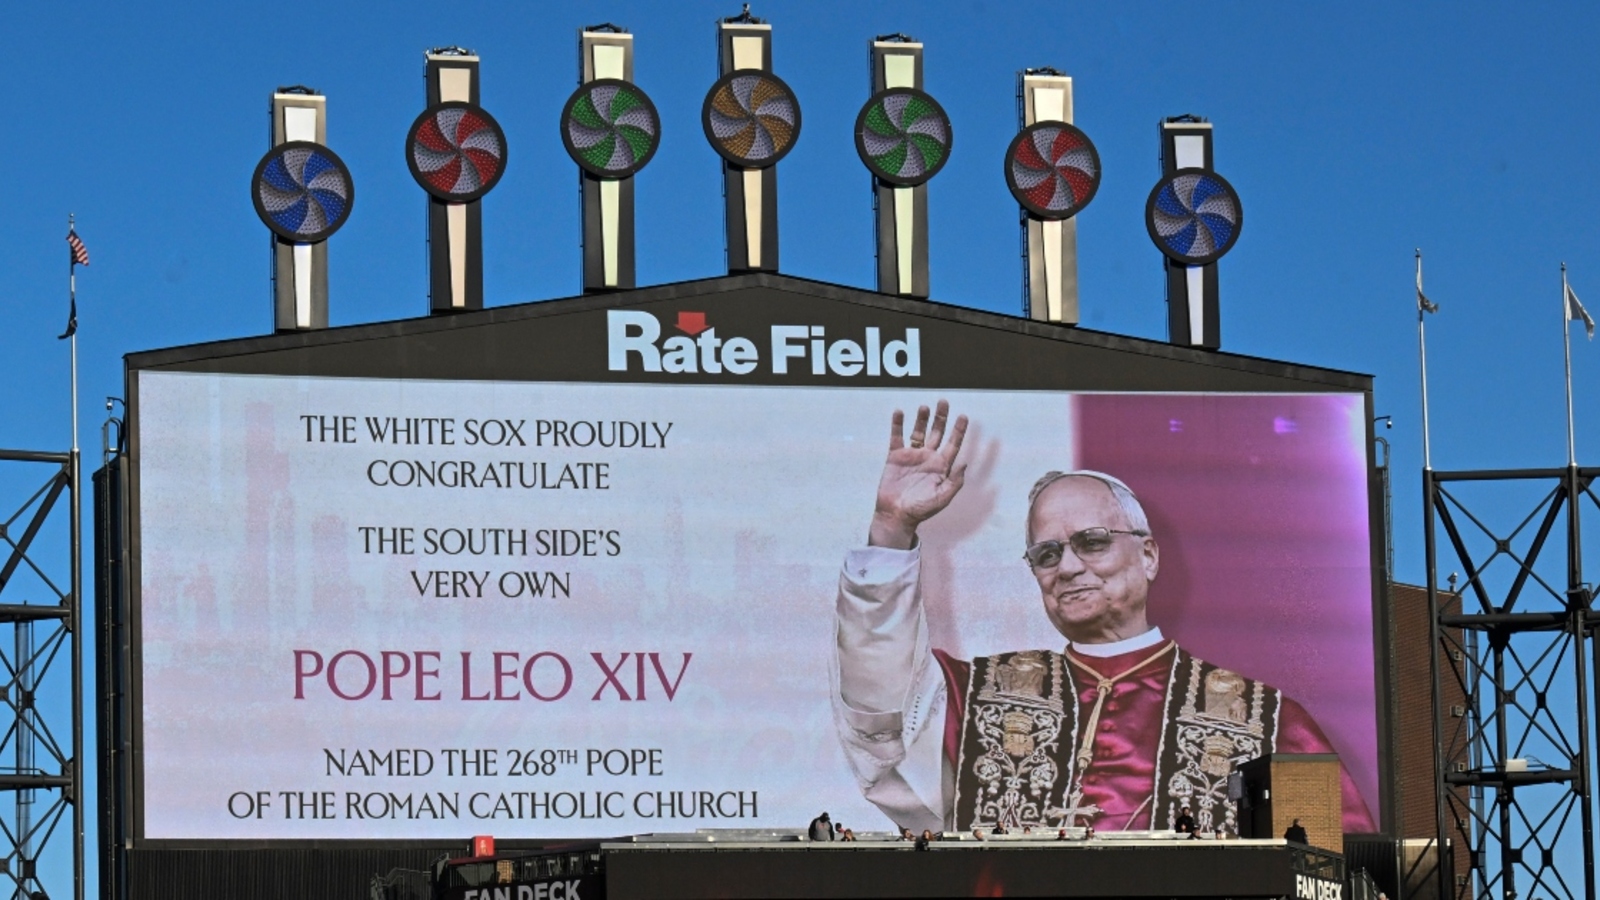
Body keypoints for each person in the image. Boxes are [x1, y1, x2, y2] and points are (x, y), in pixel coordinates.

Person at [832, 401, 1376, 838]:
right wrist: (891, 530)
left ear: (1149, 555)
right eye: (1046, 554)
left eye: (1091, 542)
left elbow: (1331, 869)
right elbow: (880, 715)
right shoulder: (979, 695)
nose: (1067, 567)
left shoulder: (1268, 722)